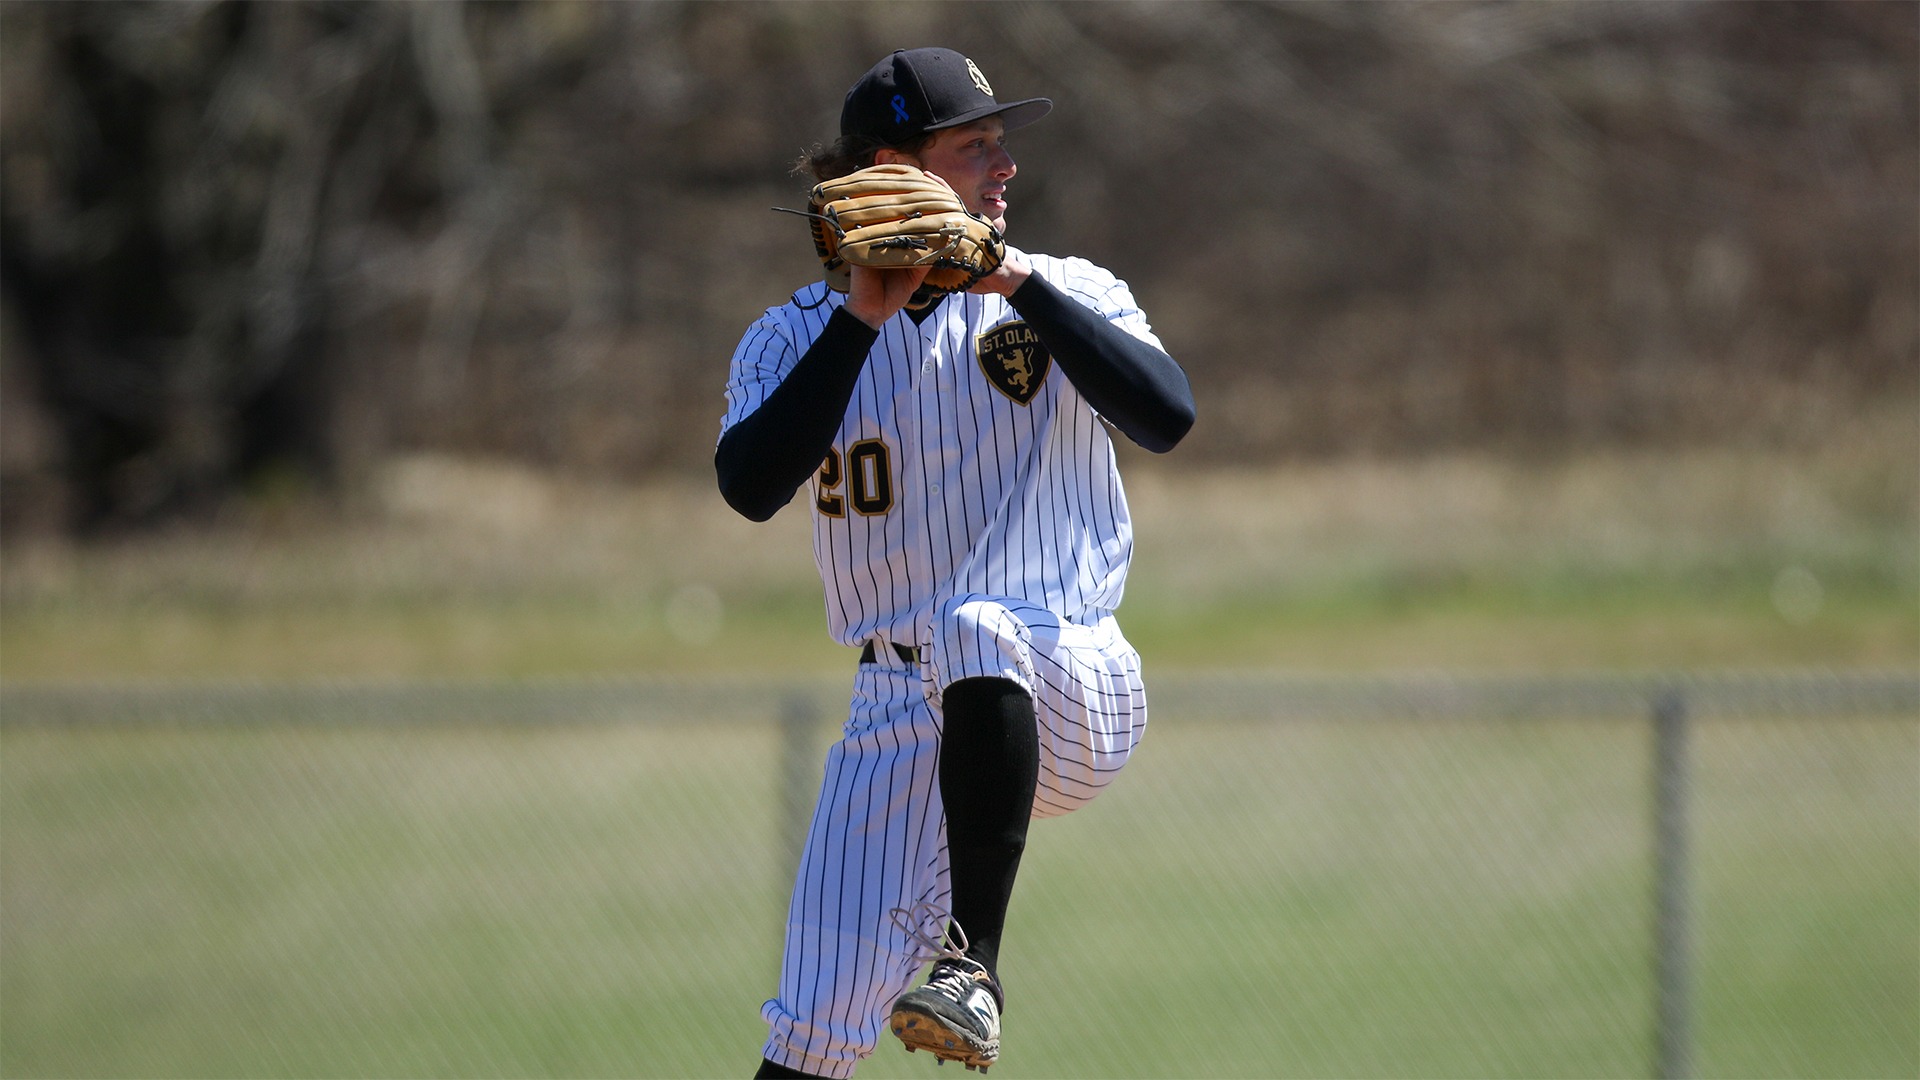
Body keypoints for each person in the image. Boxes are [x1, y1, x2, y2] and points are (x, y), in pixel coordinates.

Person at [716, 47, 1195, 1079]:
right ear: (897, 170)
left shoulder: (1063, 290)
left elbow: (1168, 415)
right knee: (808, 1034)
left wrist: (1012, 276)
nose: (1004, 165)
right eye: (974, 146)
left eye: (1000, 143)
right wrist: (861, 318)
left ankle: (974, 965)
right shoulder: (792, 335)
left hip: (1070, 676)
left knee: (974, 622)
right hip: (895, 712)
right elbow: (751, 485)